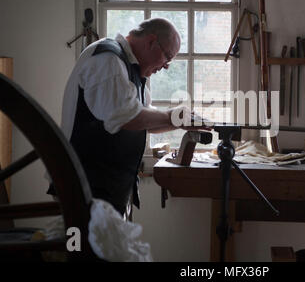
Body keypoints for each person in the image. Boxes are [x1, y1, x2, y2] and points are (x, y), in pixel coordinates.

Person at [48, 18, 203, 218]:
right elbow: (128, 118)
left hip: (109, 189)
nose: (166, 67)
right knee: (88, 250)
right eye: (167, 57)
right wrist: (172, 117)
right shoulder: (108, 60)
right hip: (86, 188)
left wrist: (178, 120)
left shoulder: (131, 70)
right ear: (151, 42)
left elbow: (143, 119)